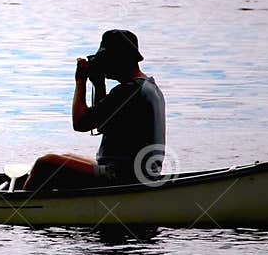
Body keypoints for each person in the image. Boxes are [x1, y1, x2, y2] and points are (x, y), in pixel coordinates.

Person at [22, 30, 165, 190]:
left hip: (121, 176)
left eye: (107, 59)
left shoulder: (127, 91)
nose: (104, 65)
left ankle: (20, 206)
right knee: (65, 158)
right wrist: (99, 85)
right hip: (141, 173)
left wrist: (80, 82)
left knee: (45, 163)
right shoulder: (148, 87)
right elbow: (104, 125)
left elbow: (80, 123)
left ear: (120, 59)